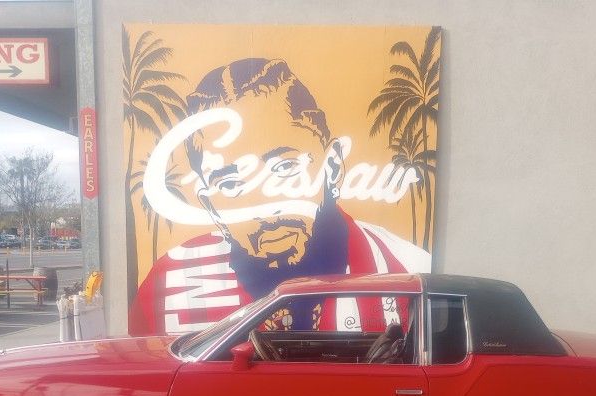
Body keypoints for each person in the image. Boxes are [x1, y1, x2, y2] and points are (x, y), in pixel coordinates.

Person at [129, 57, 430, 336]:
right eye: (231, 184)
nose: (264, 208)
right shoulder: (171, 281)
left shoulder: (409, 268)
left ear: (334, 166)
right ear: (210, 205)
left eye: (285, 166)